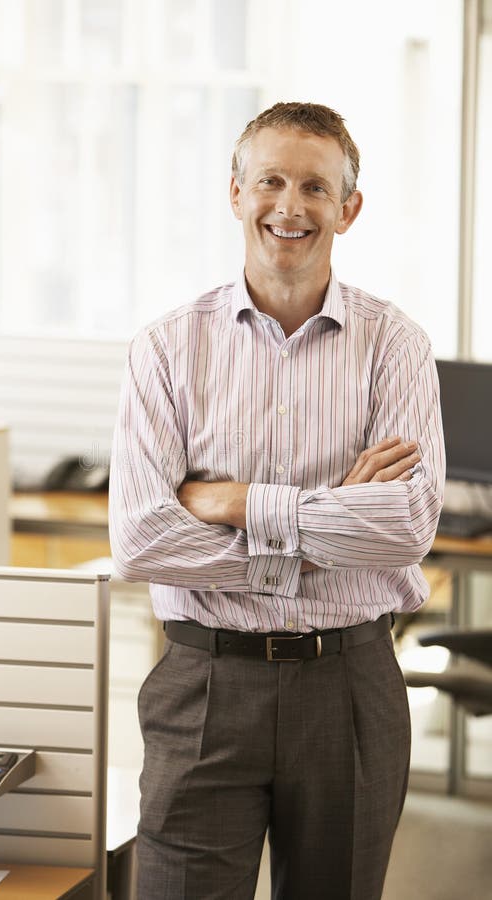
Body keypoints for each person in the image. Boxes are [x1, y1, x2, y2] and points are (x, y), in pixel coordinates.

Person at [109, 101, 445, 900]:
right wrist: (329, 516)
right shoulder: (167, 348)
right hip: (205, 686)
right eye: (270, 181)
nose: (289, 207)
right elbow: (140, 539)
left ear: (348, 209)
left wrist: (234, 502)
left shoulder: (395, 345)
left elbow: (405, 526)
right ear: (236, 194)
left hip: (350, 685)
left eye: (314, 188)